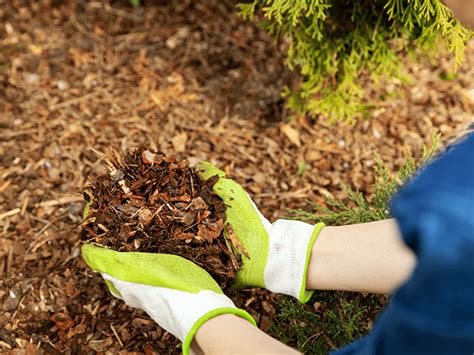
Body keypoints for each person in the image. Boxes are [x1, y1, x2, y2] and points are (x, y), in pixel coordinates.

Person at [81, 2, 474, 354]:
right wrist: (281, 252)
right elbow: (455, 250)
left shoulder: (450, 201)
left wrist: (198, 315)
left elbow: (458, 246)